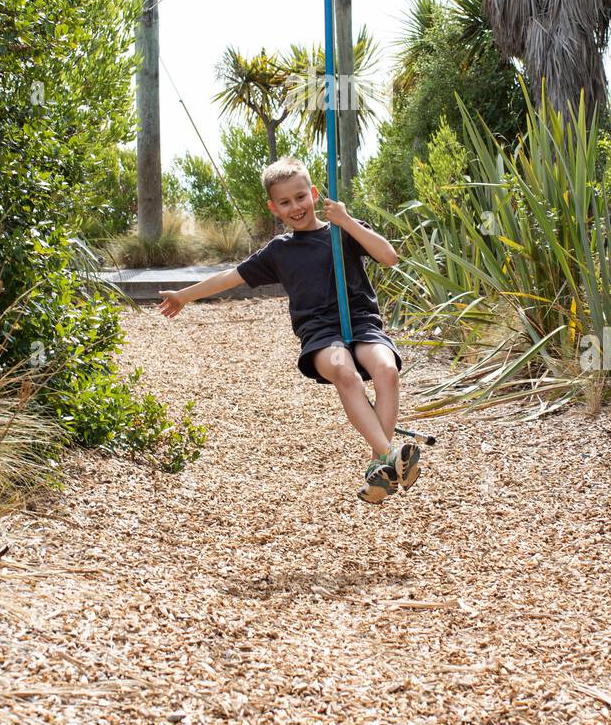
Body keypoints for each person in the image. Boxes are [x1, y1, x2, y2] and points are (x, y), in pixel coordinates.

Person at [158, 156, 421, 505]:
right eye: (285, 202)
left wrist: (345, 221)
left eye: (300, 197)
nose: (295, 206)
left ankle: (380, 469)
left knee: (386, 370)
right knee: (345, 372)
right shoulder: (279, 251)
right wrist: (184, 295)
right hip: (321, 334)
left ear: (313, 193)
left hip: (361, 323)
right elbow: (230, 277)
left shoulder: (343, 229)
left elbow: (389, 257)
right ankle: (389, 455)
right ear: (273, 208)